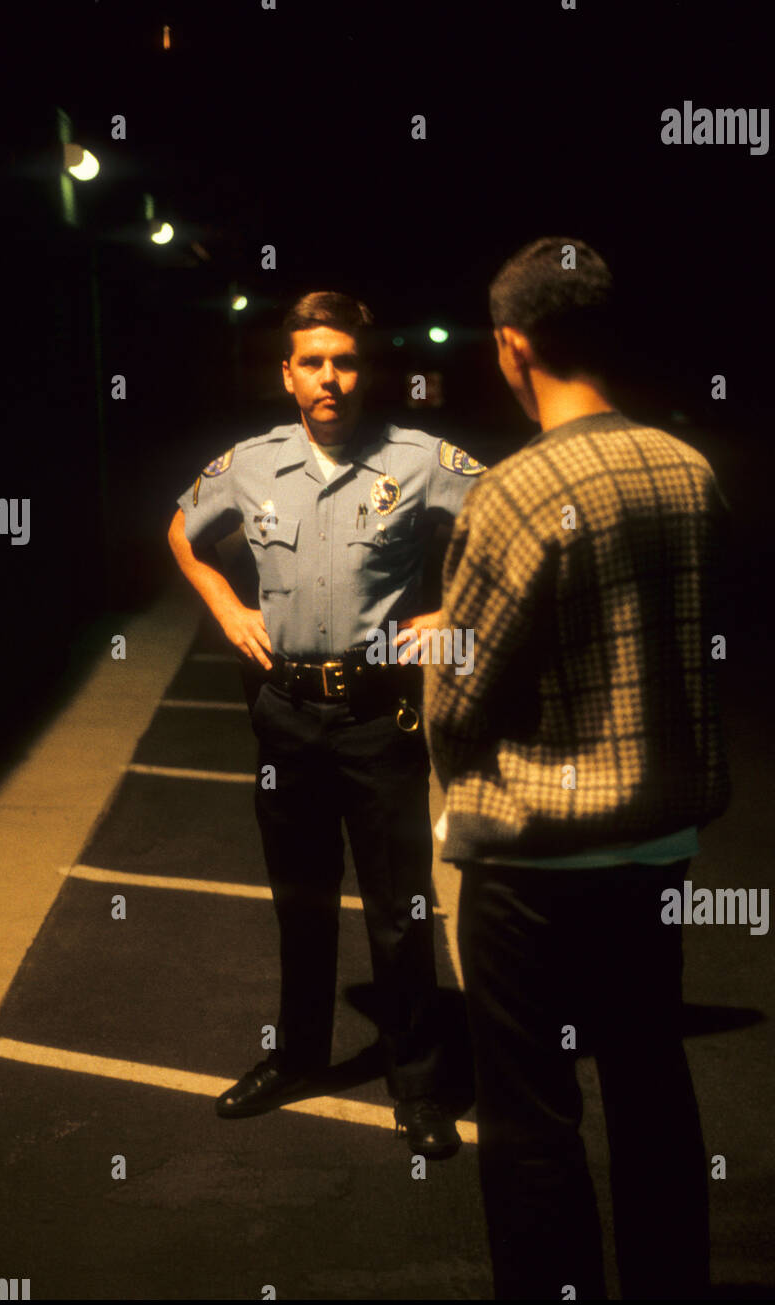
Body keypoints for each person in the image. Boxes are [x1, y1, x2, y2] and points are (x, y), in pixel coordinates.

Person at [425, 237, 731, 1295]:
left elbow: (463, 693)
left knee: (532, 1117)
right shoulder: (688, 470)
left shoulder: (514, 491)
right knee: (652, 1087)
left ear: (513, 345)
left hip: (534, 862)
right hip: (656, 845)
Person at [168, 290, 485, 1159]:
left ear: (364, 368)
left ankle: (418, 1088)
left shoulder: (420, 460)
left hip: (380, 716)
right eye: (313, 362)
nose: (330, 378)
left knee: (399, 911)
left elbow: (509, 530)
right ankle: (298, 1057)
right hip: (284, 717)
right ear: (288, 375)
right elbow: (182, 532)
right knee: (300, 903)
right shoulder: (251, 463)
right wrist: (228, 609)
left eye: (344, 361)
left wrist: (454, 612)